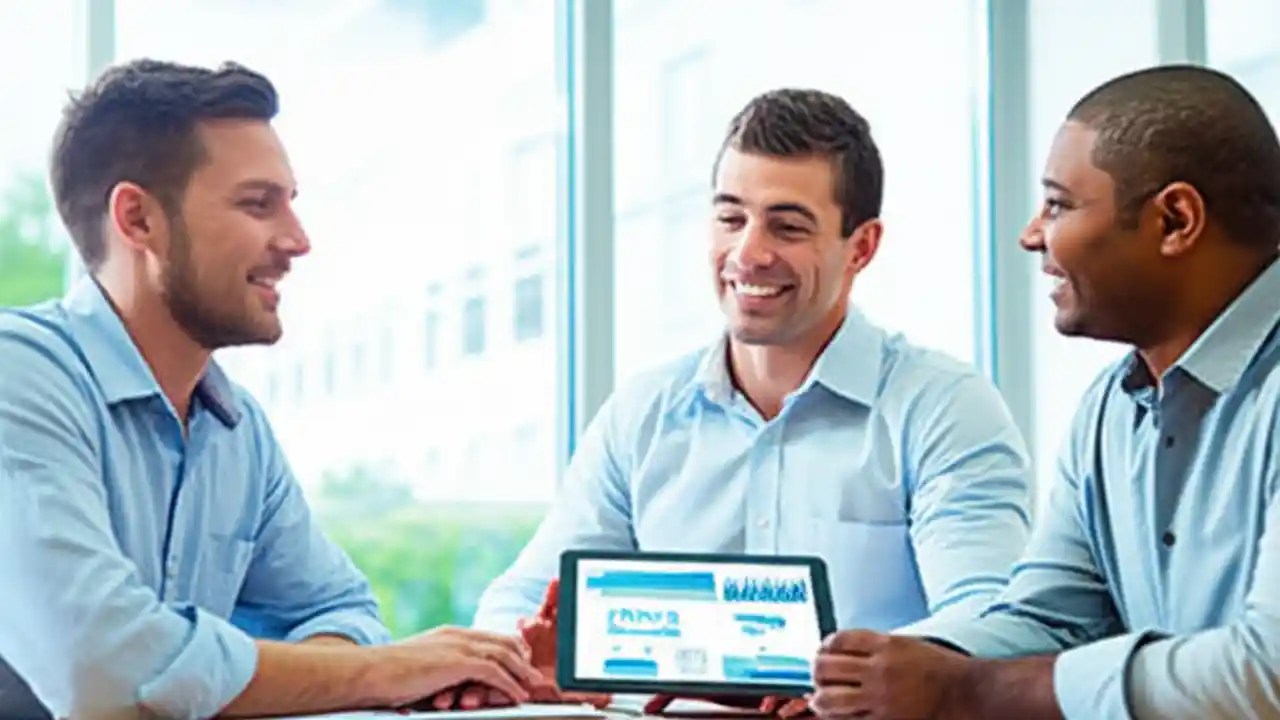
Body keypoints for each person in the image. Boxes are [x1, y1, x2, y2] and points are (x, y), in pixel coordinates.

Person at [0, 59, 547, 720]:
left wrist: (337, 671)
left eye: (291, 202)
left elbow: (341, 610)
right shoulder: (21, 377)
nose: (298, 239)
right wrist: (380, 671)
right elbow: (104, 671)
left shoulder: (236, 431)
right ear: (138, 220)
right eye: (258, 204)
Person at [470, 88, 1034, 716]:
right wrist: (536, 653)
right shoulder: (644, 413)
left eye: (787, 226)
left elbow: (993, 621)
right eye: (731, 218)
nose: (749, 254)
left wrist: (841, 681)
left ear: (862, 247)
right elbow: (519, 600)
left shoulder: (943, 408)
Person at [811, 64, 1280, 720]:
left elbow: (1265, 675)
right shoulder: (1109, 410)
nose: (1031, 235)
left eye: (1058, 204)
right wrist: (852, 675)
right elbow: (1051, 619)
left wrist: (965, 690)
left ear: (1176, 220)